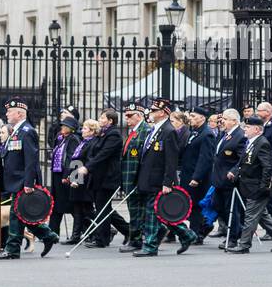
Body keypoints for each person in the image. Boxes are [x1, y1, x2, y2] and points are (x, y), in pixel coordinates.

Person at [0, 99, 59, 258]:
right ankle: (48, 236)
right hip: (15, 179)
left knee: (16, 215)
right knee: (22, 214)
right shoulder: (15, 131)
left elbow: (31, 160)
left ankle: (12, 250)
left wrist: (29, 183)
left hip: (22, 180)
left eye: (10, 111)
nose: (7, 114)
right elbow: (9, 156)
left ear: (19, 113)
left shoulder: (27, 131)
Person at [133, 99, 196, 256]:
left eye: (153, 111)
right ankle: (187, 235)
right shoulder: (154, 129)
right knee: (159, 212)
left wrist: (168, 182)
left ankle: (150, 246)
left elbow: (171, 160)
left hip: (158, 180)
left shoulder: (168, 131)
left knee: (152, 213)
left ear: (162, 113)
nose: (150, 113)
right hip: (148, 178)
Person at [224, 115, 272, 254]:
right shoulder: (251, 142)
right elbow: (244, 163)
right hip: (248, 185)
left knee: (250, 216)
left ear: (257, 129)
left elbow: (267, 167)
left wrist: (265, 187)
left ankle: (244, 244)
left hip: (257, 187)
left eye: (247, 127)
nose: (245, 130)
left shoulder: (262, 143)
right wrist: (235, 172)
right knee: (262, 216)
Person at [79, 109, 123, 248]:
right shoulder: (102, 133)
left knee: (102, 208)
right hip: (99, 176)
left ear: (110, 121)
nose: (100, 119)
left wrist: (87, 167)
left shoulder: (114, 134)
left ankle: (101, 239)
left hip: (107, 177)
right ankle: (128, 231)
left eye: (102, 117)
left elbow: (103, 154)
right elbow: (92, 150)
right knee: (104, 208)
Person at [211, 109, 245, 250]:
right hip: (219, 179)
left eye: (225, 119)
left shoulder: (240, 136)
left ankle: (232, 238)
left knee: (232, 210)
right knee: (218, 206)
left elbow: (242, 159)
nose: (222, 121)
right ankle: (233, 232)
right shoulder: (225, 135)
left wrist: (234, 171)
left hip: (230, 181)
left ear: (234, 121)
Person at [117, 104, 150, 252]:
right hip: (129, 178)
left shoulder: (145, 131)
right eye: (126, 115)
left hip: (136, 179)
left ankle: (136, 240)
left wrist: (138, 180)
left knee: (137, 211)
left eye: (130, 115)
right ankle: (139, 236)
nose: (127, 118)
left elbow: (144, 160)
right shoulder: (134, 132)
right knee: (135, 210)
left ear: (139, 116)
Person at [179, 106, 215, 240]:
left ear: (202, 118)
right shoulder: (194, 132)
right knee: (191, 204)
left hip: (198, 177)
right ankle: (200, 229)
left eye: (193, 116)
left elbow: (205, 158)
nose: (190, 118)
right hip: (188, 173)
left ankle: (198, 232)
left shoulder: (207, 133)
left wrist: (197, 177)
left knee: (196, 205)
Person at [65, 120, 96, 244]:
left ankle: (98, 231)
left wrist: (77, 179)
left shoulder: (92, 143)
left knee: (87, 209)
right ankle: (76, 236)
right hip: (76, 178)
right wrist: (71, 177)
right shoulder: (83, 143)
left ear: (92, 131)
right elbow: (75, 161)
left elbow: (86, 164)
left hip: (84, 180)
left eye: (85, 128)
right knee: (77, 209)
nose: (82, 130)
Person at [47, 117, 78, 238]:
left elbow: (71, 158)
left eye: (65, 126)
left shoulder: (73, 140)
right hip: (56, 175)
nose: (62, 128)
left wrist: (67, 175)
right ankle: (52, 233)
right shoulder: (60, 139)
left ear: (71, 129)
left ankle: (89, 228)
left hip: (64, 176)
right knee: (56, 205)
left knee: (69, 206)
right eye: (62, 125)